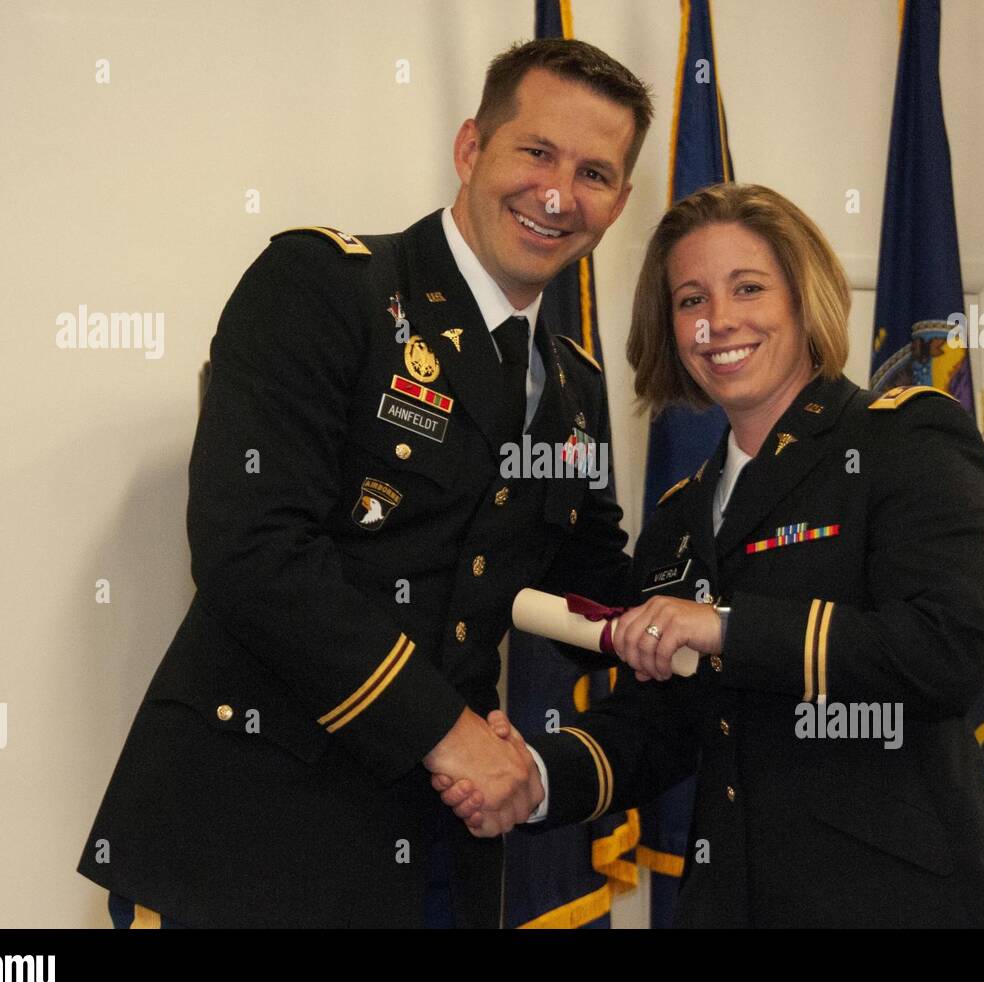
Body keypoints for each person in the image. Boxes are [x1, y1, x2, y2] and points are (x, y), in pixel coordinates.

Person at [77, 38, 653, 928]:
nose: (557, 193)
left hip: (436, 852)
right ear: (471, 149)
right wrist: (453, 734)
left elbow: (583, 584)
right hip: (254, 834)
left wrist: (713, 619)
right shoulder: (325, 285)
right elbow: (252, 550)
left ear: (618, 203)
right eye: (536, 151)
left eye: (595, 173)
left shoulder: (572, 385)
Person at [437, 182, 984, 928]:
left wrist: (725, 627)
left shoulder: (904, 440)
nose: (718, 320)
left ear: (803, 299)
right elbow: (657, 728)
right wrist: (531, 776)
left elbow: (943, 653)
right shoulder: (678, 519)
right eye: (690, 299)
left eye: (748, 288)